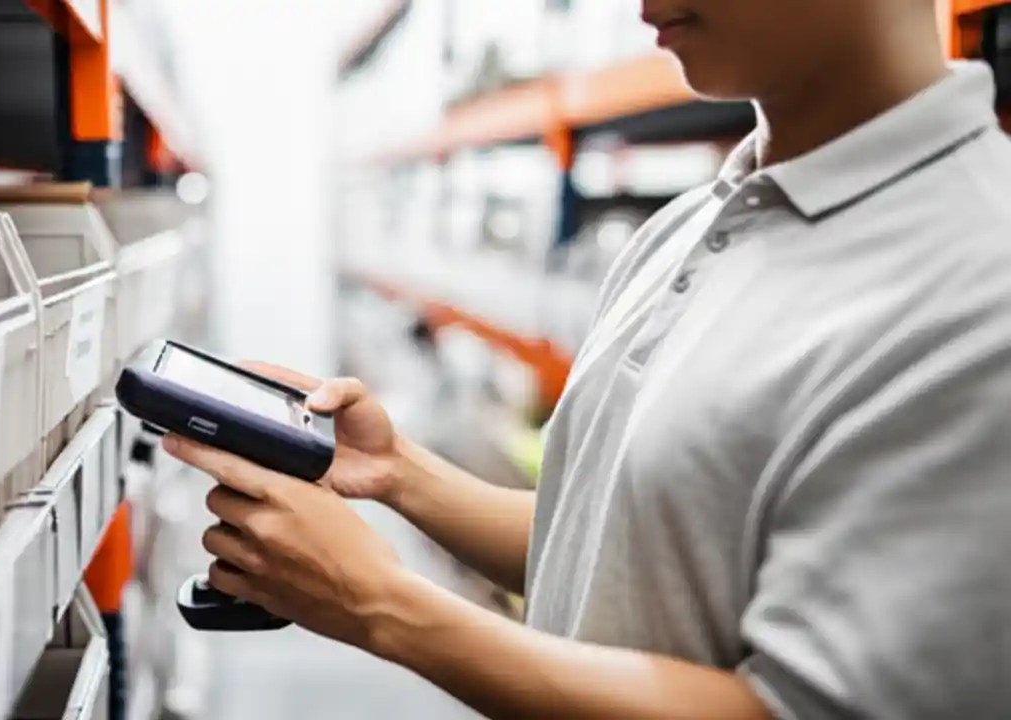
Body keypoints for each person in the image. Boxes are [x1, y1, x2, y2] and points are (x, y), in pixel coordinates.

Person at [163, 0, 1011, 717]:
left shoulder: (978, 285)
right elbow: (629, 542)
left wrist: (383, 604)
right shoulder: (683, 227)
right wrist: (400, 474)